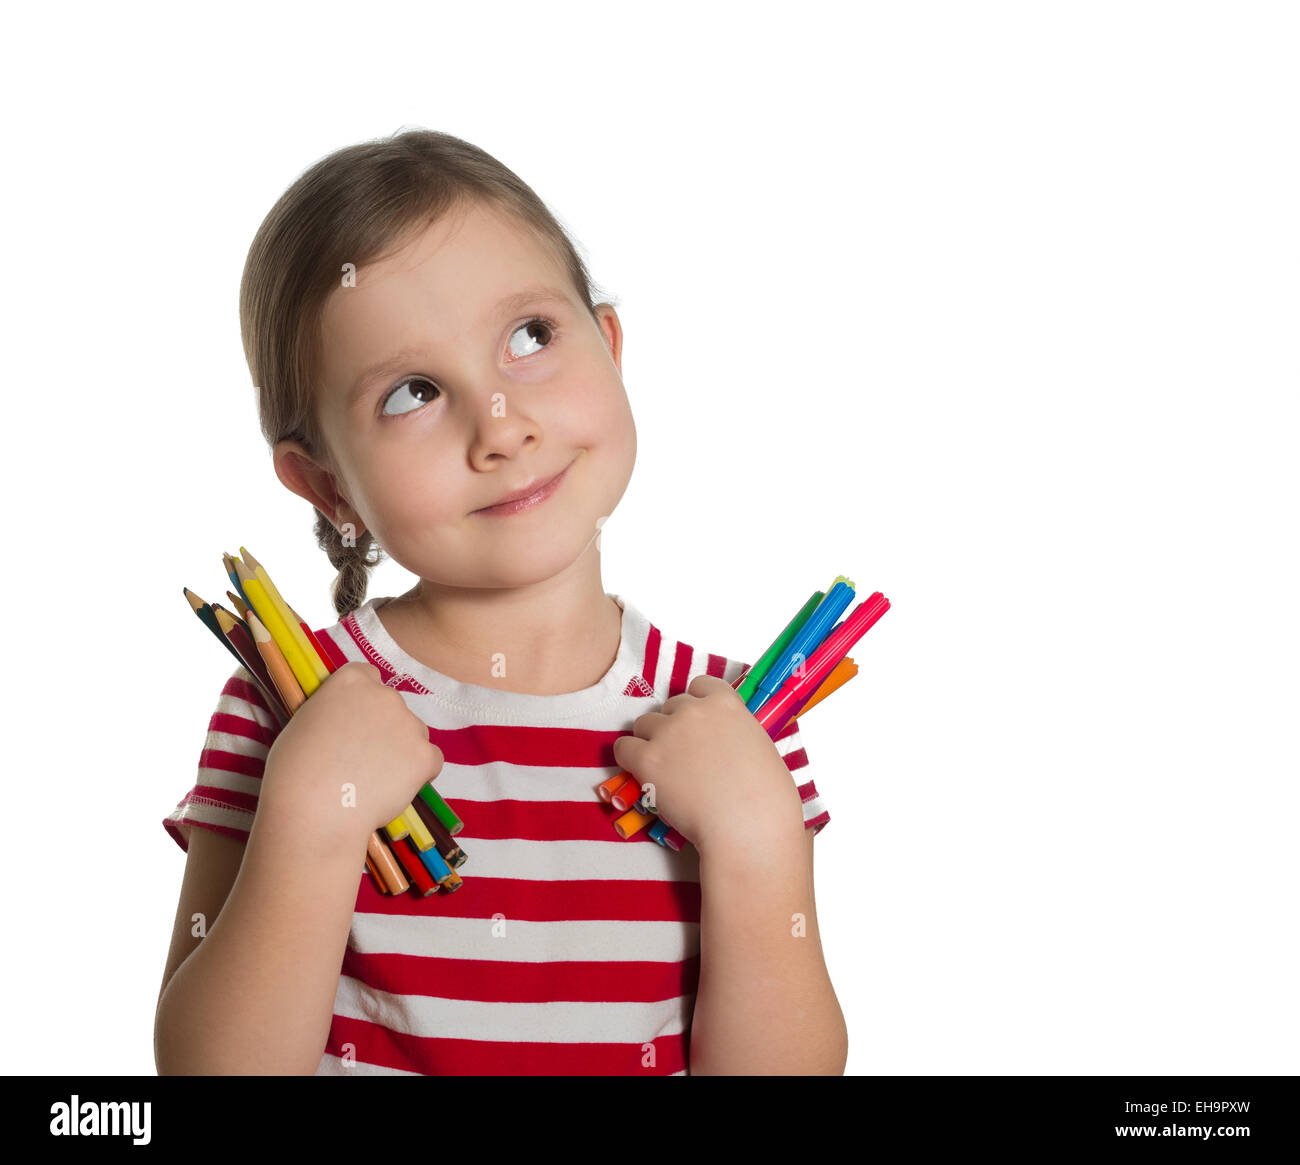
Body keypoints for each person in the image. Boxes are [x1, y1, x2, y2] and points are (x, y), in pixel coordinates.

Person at [154, 129, 846, 1076]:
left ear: (608, 346)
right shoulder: (290, 703)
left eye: (531, 337)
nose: (501, 426)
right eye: (413, 392)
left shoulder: (739, 718)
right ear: (328, 488)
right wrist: (314, 812)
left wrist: (761, 845)